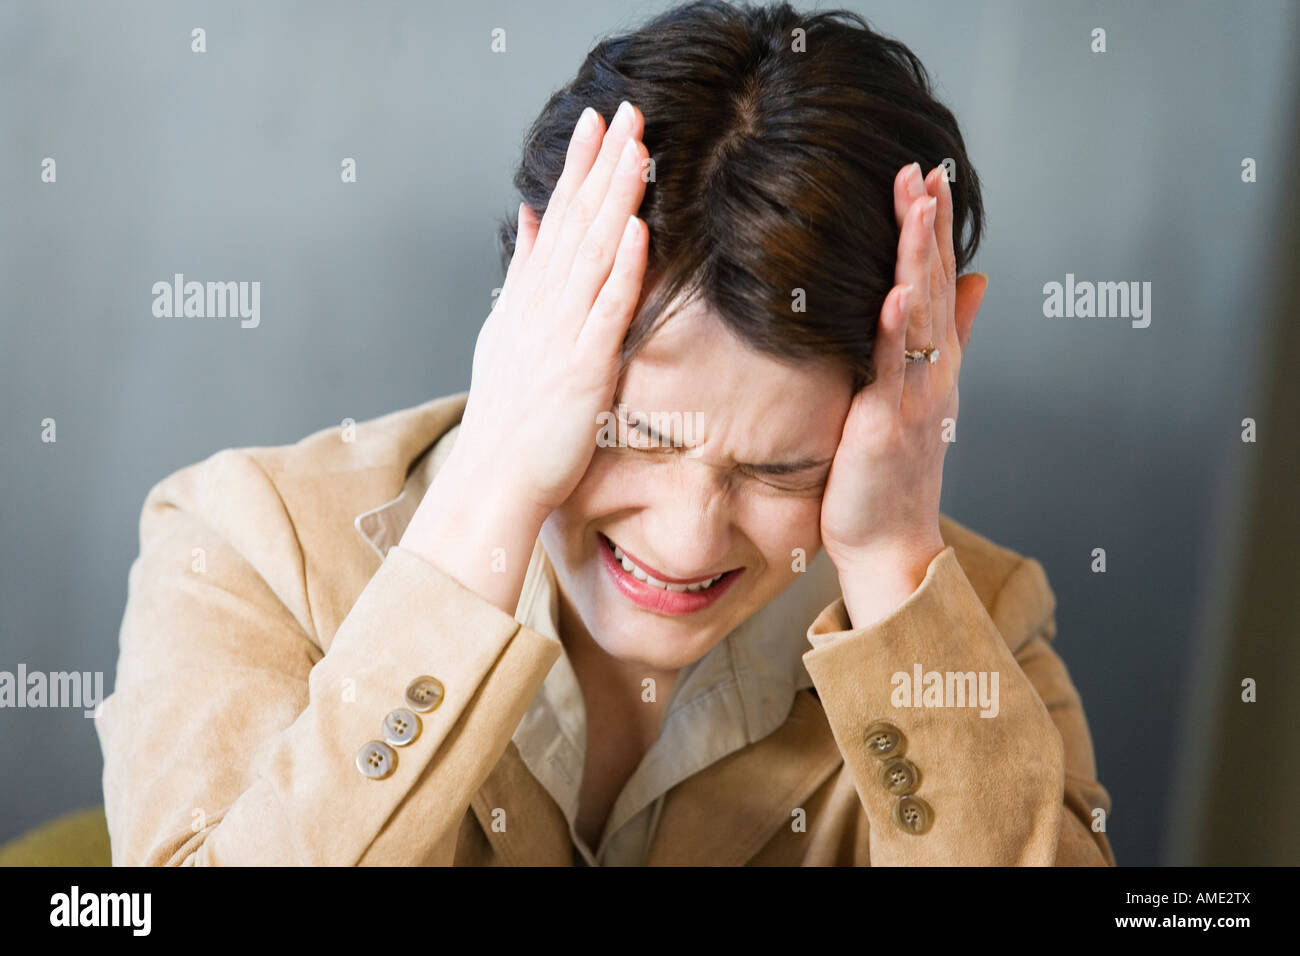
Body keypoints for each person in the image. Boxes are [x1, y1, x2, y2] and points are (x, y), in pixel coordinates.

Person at [96, 0, 1114, 865]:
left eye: (779, 467)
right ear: (523, 319)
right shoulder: (245, 543)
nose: (682, 542)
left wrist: (892, 565)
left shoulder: (971, 623)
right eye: (630, 432)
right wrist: (492, 492)